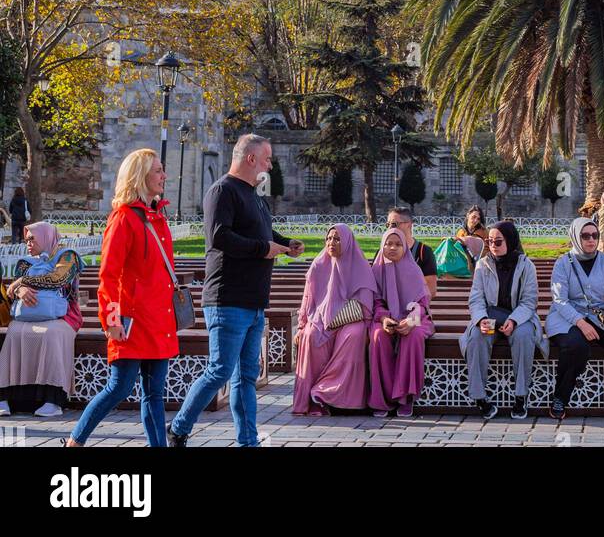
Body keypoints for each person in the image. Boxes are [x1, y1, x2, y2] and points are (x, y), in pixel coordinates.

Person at [168, 134, 303, 446]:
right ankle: (178, 428)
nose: (270, 165)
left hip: (254, 300)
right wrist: (263, 249)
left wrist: (284, 244)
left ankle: (248, 440)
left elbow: (262, 231)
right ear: (251, 158)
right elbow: (220, 237)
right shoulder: (222, 191)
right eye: (267, 159)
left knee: (246, 377)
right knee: (219, 371)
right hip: (227, 298)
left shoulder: (254, 196)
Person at [65, 149, 176, 447]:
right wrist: (111, 320)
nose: (164, 176)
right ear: (140, 176)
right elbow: (109, 276)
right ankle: (75, 442)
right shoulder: (123, 218)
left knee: (154, 393)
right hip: (130, 320)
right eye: (158, 170)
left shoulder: (158, 218)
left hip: (157, 319)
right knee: (118, 388)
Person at [547, 217, 604, 420]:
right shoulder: (563, 264)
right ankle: (560, 397)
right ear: (575, 237)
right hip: (568, 317)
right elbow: (559, 300)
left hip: (600, 317)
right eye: (585, 236)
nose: (591, 240)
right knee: (576, 346)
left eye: (594, 235)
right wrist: (580, 322)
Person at [461, 220, 547, 421]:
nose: (493, 246)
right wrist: (481, 318)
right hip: (490, 317)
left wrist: (514, 321)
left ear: (510, 241)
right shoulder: (483, 265)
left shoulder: (526, 266)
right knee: (476, 336)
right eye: (489, 241)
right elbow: (476, 298)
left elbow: (529, 301)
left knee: (524, 336)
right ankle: (479, 397)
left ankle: (521, 395)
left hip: (520, 318)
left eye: (498, 242)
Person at [292, 223, 377, 415]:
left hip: (352, 318)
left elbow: (365, 301)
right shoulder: (318, 265)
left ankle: (330, 394)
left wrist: (366, 327)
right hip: (321, 318)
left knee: (354, 337)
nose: (332, 242)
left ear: (347, 242)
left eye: (337, 239)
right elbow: (308, 299)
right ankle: (312, 401)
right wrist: (301, 326)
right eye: (329, 238)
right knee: (311, 336)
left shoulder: (359, 264)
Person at [0, 222, 83, 418]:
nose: (28, 243)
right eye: (26, 239)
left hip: (63, 315)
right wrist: (20, 289)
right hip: (28, 314)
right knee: (15, 331)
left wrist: (24, 281)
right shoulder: (25, 262)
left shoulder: (67, 256)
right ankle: (6, 396)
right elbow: (13, 289)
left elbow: (58, 279)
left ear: (45, 237)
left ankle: (52, 399)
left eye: (32, 238)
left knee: (50, 333)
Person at [368, 227, 434, 419]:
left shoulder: (413, 269)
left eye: (398, 244)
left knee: (412, 336)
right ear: (382, 246)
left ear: (405, 247)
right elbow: (376, 301)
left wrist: (411, 320)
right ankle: (383, 399)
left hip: (416, 319)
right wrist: (384, 318)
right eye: (388, 243)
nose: (393, 248)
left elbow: (422, 304)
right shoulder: (377, 270)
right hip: (386, 319)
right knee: (379, 335)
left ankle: (406, 398)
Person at [386, 207, 437, 298]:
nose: (390, 228)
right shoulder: (383, 251)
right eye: (387, 224)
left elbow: (431, 289)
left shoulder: (424, 251)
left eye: (394, 224)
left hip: (414, 307)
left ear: (409, 225)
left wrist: (414, 306)